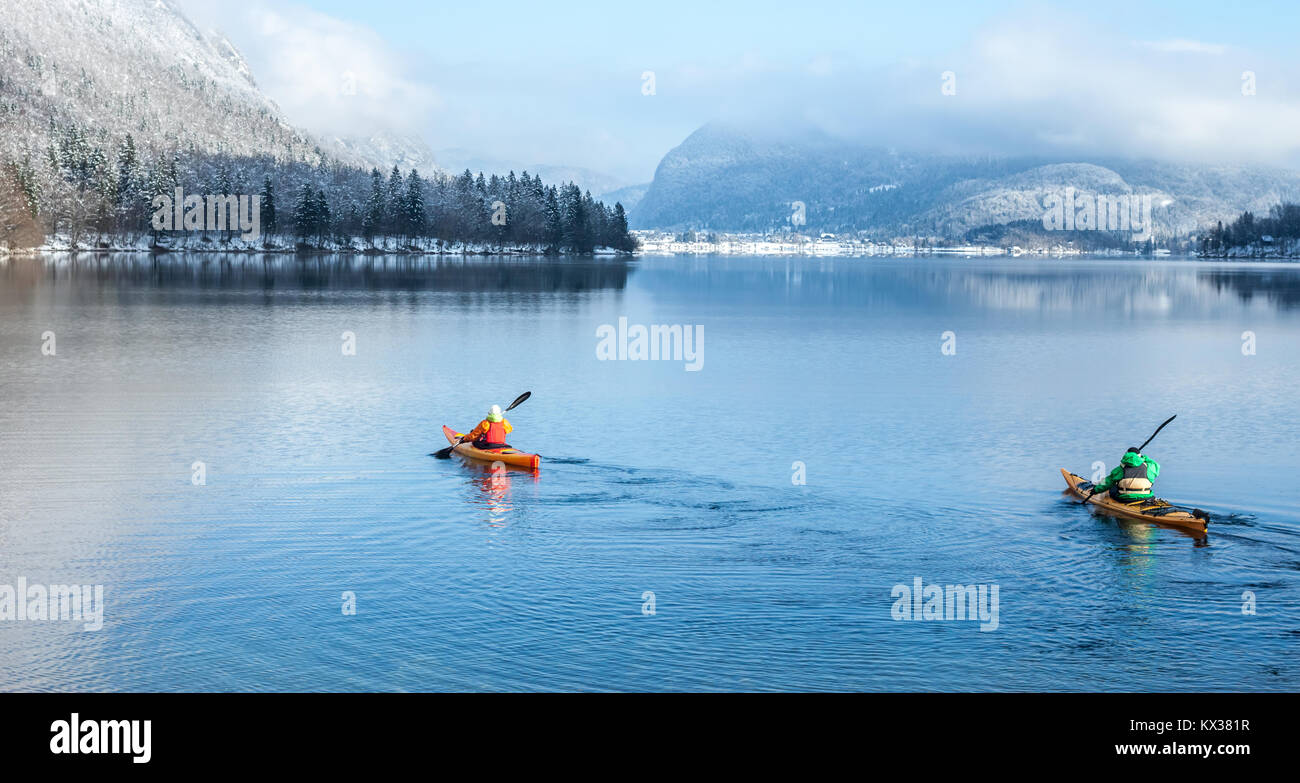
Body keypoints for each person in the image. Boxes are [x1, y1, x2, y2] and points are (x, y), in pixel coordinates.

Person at [1092, 447, 1160, 502]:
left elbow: (1107, 482)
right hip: (1146, 497)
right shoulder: (1150, 467)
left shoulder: (1120, 469)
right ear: (1139, 456)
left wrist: (1095, 490)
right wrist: (1144, 458)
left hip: (1125, 498)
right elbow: (1156, 465)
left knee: (1113, 486)